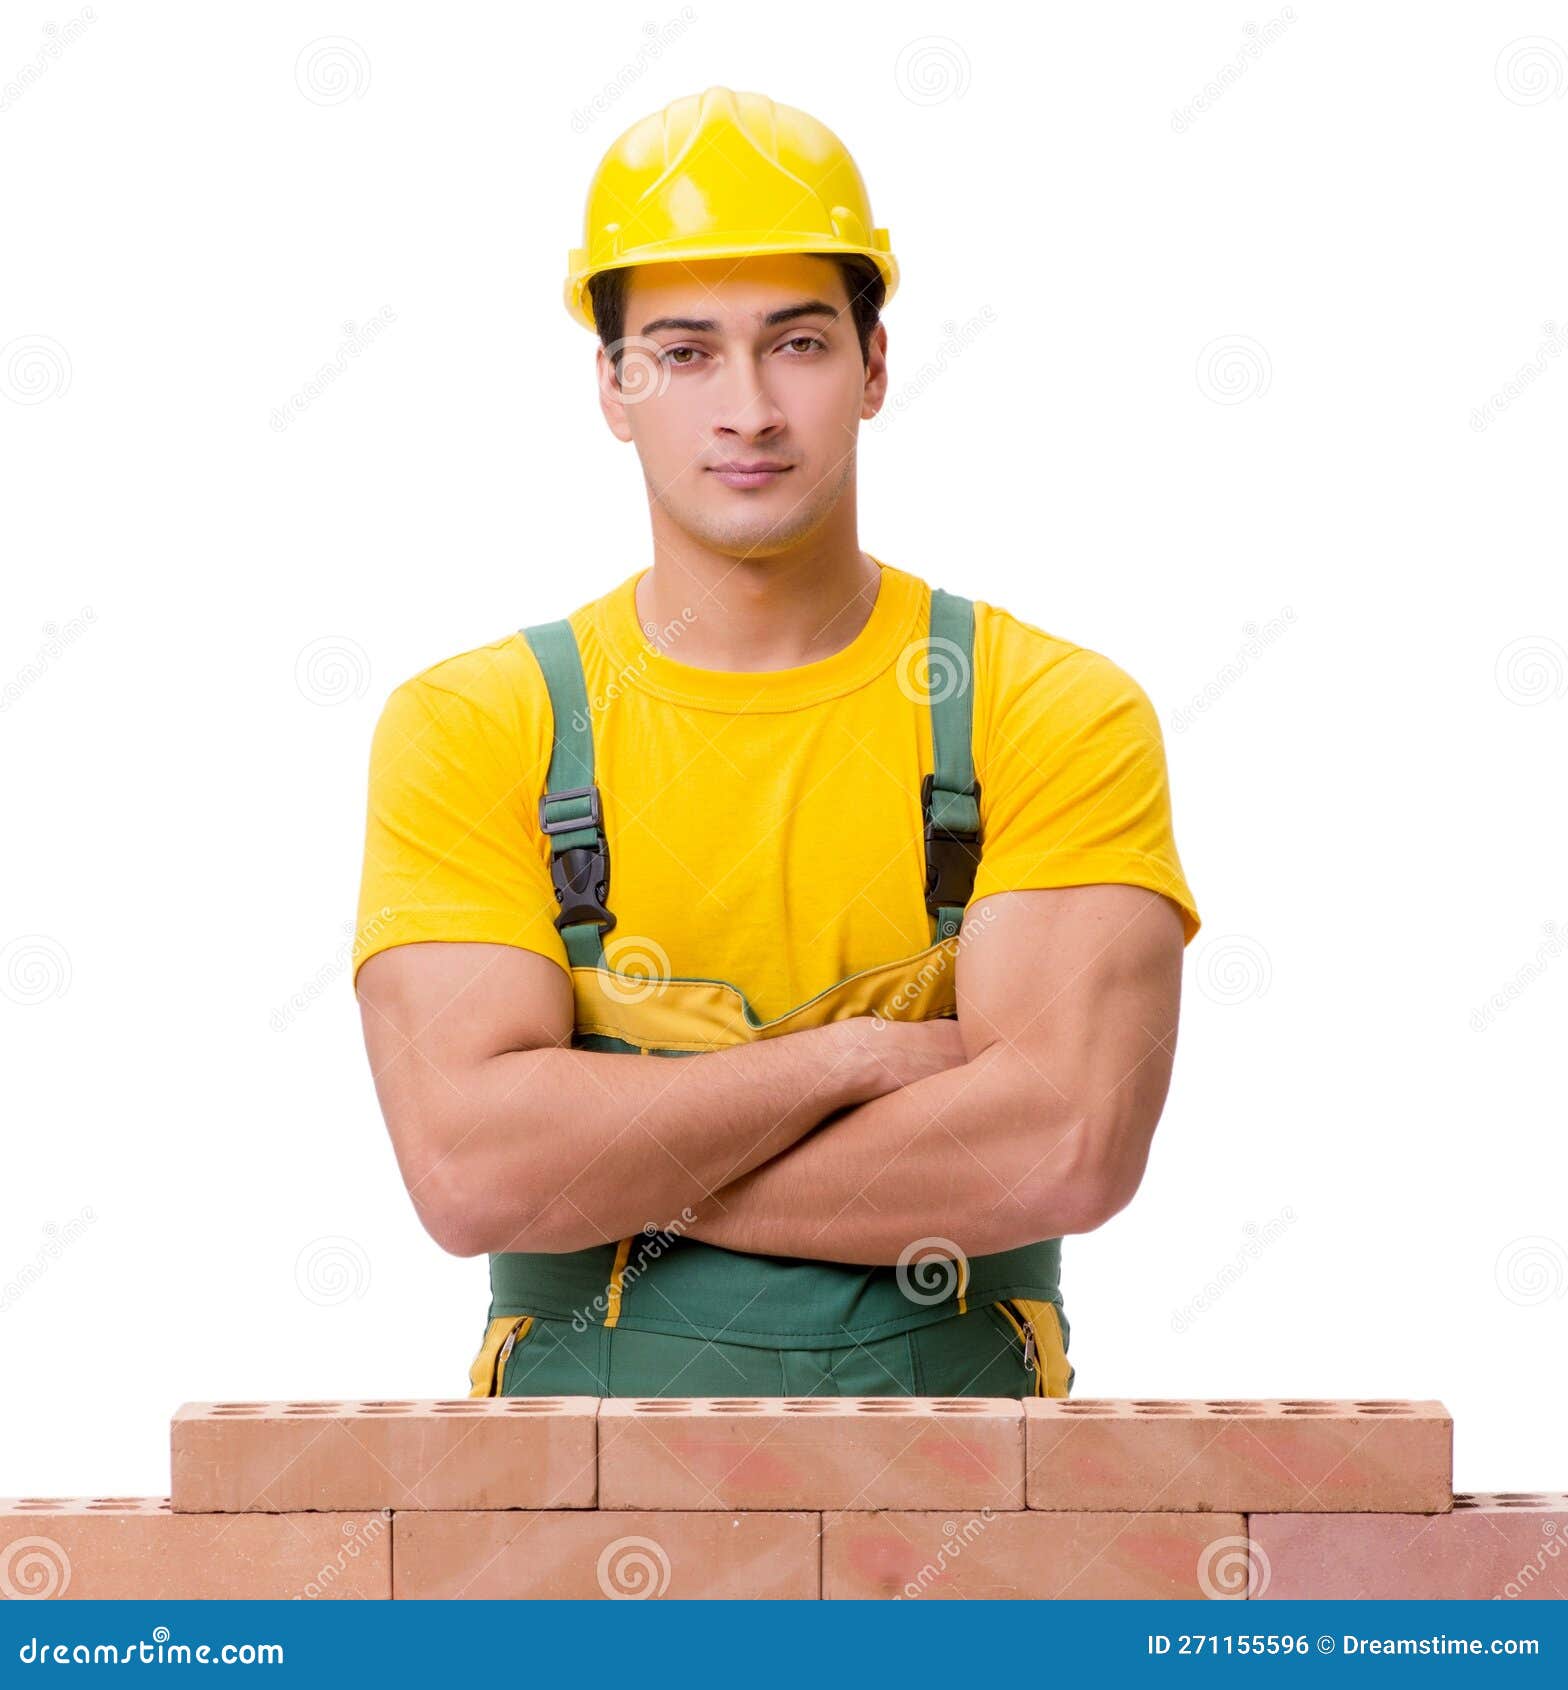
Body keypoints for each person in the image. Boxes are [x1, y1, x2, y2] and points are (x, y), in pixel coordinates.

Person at [352, 85, 1201, 1400]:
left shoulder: (1044, 709)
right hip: (569, 1502)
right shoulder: (479, 724)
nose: (747, 408)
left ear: (874, 364)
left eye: (796, 342)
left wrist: (602, 1167)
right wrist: (852, 1061)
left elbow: (1067, 1147)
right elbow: (470, 1172)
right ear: (614, 385)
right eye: (685, 353)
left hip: (969, 1497)